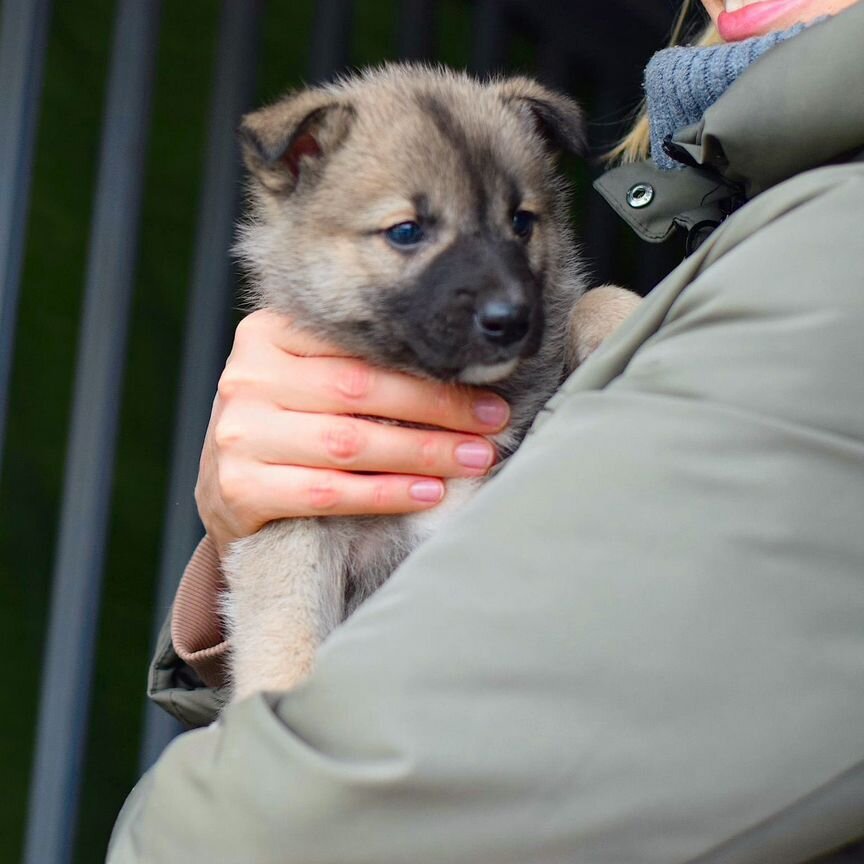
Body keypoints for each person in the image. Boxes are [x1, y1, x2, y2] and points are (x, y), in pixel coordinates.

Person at [109, 0, 864, 860]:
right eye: (406, 232)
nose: (504, 290)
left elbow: (278, 823)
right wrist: (242, 535)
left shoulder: (828, 253)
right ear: (297, 172)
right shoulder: (756, 204)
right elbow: (295, 672)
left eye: (519, 224)